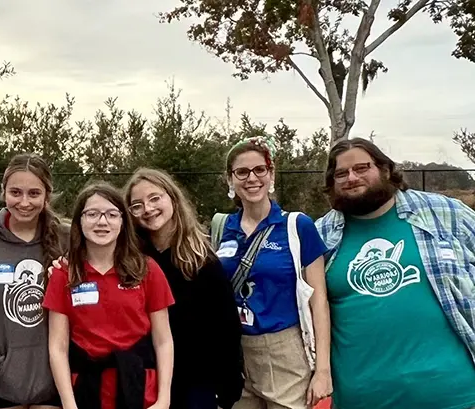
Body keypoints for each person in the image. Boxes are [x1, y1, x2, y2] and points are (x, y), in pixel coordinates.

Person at [315, 138, 475, 409]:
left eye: (362, 168)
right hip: (361, 399)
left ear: (385, 170)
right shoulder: (320, 236)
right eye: (341, 173)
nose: (352, 177)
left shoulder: (445, 213)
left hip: (456, 396)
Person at [208, 137, 332, 409]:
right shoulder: (221, 228)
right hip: (235, 353)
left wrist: (323, 370)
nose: (251, 178)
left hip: (283, 350)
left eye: (259, 170)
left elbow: (318, 301)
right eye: (242, 172)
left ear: (271, 173)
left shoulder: (297, 226)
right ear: (230, 179)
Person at [44, 181, 175, 409]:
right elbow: (58, 346)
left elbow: (163, 340)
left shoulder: (147, 269)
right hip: (86, 390)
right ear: (80, 221)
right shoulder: (64, 273)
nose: (102, 222)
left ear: (123, 222)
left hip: (140, 388)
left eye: (112, 214)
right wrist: (68, 404)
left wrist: (164, 398)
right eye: (92, 214)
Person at [124, 168, 244, 409]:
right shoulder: (130, 261)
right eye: (137, 205)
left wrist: (228, 385)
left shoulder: (201, 260)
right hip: (145, 378)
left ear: (172, 198)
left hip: (197, 382)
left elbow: (226, 325)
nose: (148, 209)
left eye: (155, 198)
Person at [0, 153, 67, 409]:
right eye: (16, 192)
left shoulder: (68, 239)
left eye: (34, 193)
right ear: (3, 192)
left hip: (57, 382)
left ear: (47, 196)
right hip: (2, 385)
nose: (24, 202)